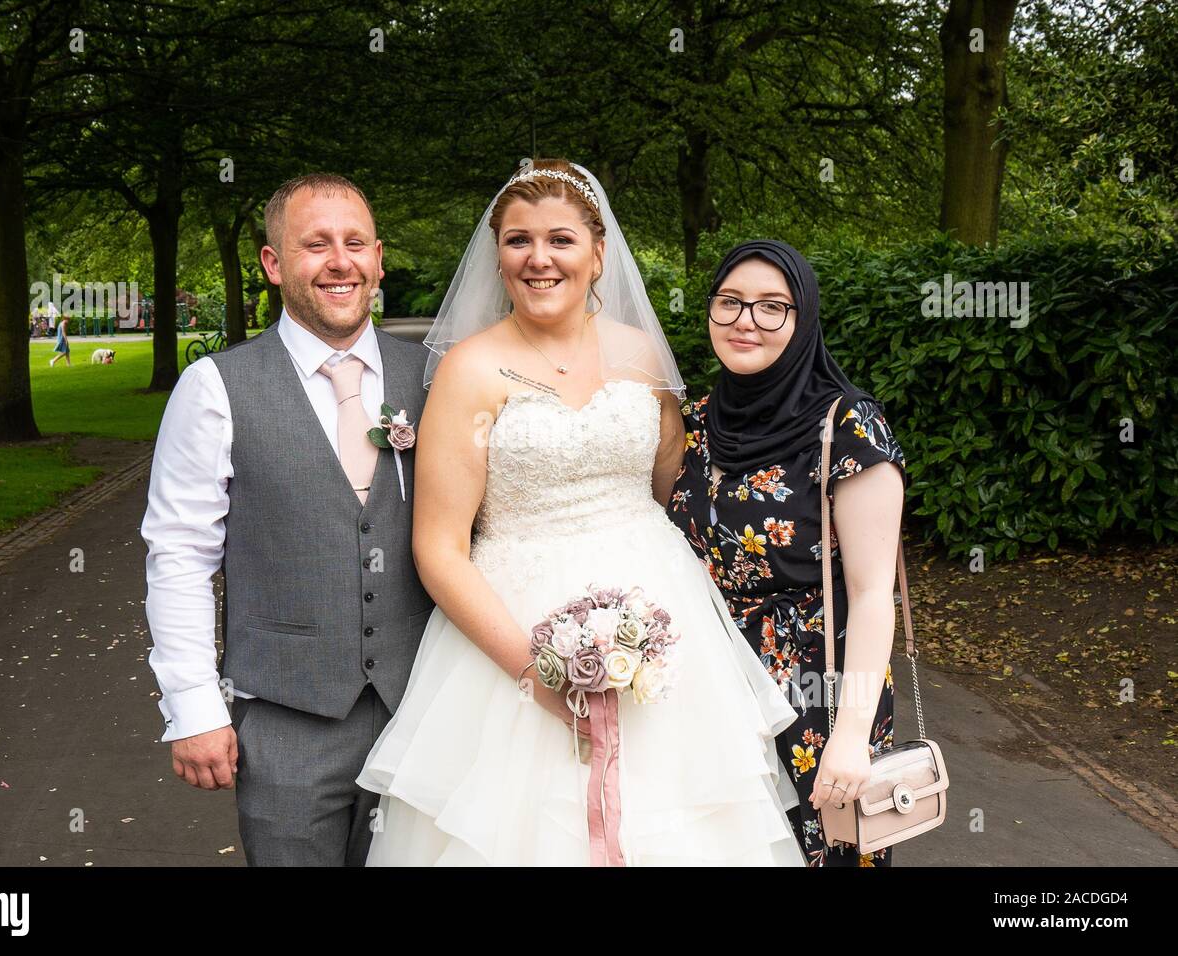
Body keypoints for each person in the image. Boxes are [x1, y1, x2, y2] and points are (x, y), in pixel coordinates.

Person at [355, 160, 806, 866]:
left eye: (561, 239)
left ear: (599, 254)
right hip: (512, 636)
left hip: (666, 631)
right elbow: (439, 549)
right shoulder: (469, 371)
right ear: (497, 255)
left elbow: (671, 493)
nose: (539, 258)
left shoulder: (640, 355)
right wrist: (536, 674)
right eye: (518, 240)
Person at [141, 173, 433, 866]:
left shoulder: (433, 375)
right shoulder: (216, 386)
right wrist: (193, 706)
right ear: (274, 265)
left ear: (379, 258)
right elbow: (179, 553)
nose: (340, 261)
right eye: (316, 244)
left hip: (423, 713)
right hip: (286, 725)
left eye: (355, 243)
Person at [665, 239, 906, 866]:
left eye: (773, 307)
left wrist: (852, 736)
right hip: (711, 689)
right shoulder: (693, 422)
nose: (747, 321)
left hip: (817, 692)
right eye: (731, 302)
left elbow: (877, 593)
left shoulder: (847, 426)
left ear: (802, 324)